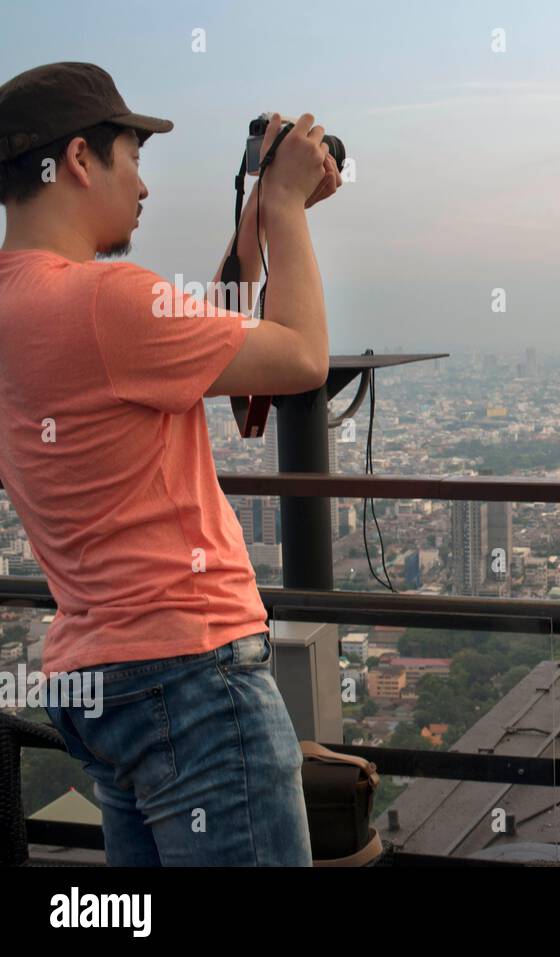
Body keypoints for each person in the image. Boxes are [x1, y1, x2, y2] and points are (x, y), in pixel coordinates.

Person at [0, 62, 341, 865]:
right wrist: (287, 206)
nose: (145, 190)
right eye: (136, 159)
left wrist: (258, 216)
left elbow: (188, 340)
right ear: (81, 160)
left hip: (100, 684)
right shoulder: (102, 300)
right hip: (191, 679)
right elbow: (299, 355)